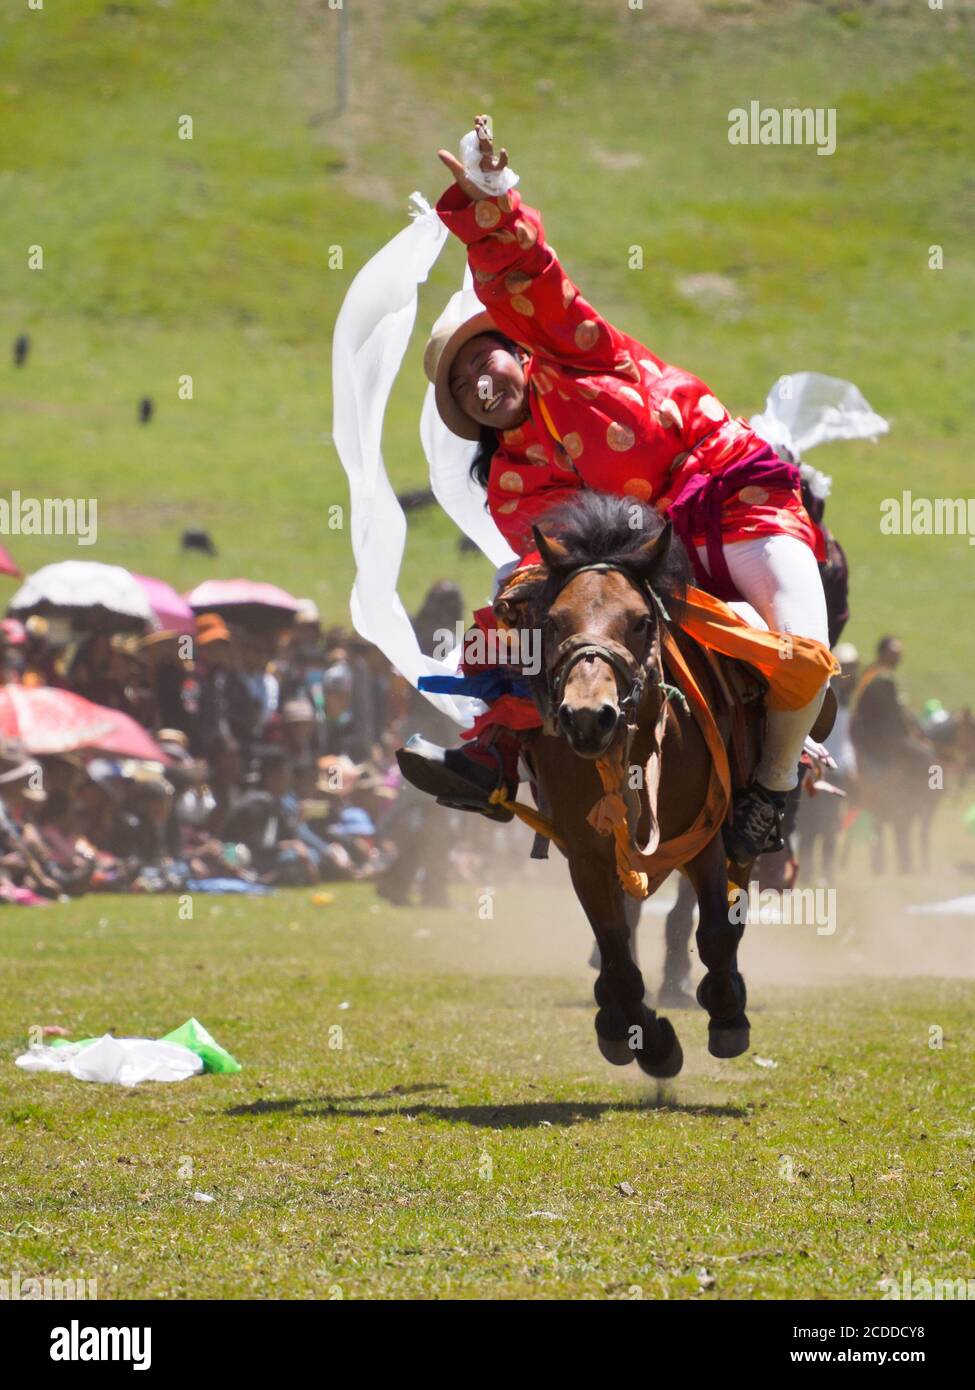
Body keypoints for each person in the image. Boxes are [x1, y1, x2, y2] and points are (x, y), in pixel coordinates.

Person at [397, 116, 834, 863]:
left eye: (484, 362)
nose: (478, 384)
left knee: (804, 654)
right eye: (462, 388)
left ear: (518, 347)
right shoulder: (510, 478)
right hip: (650, 559)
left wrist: (491, 203)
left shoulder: (577, 352)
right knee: (525, 599)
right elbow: (571, 555)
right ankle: (496, 752)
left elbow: (527, 276)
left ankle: (770, 788)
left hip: (737, 495)